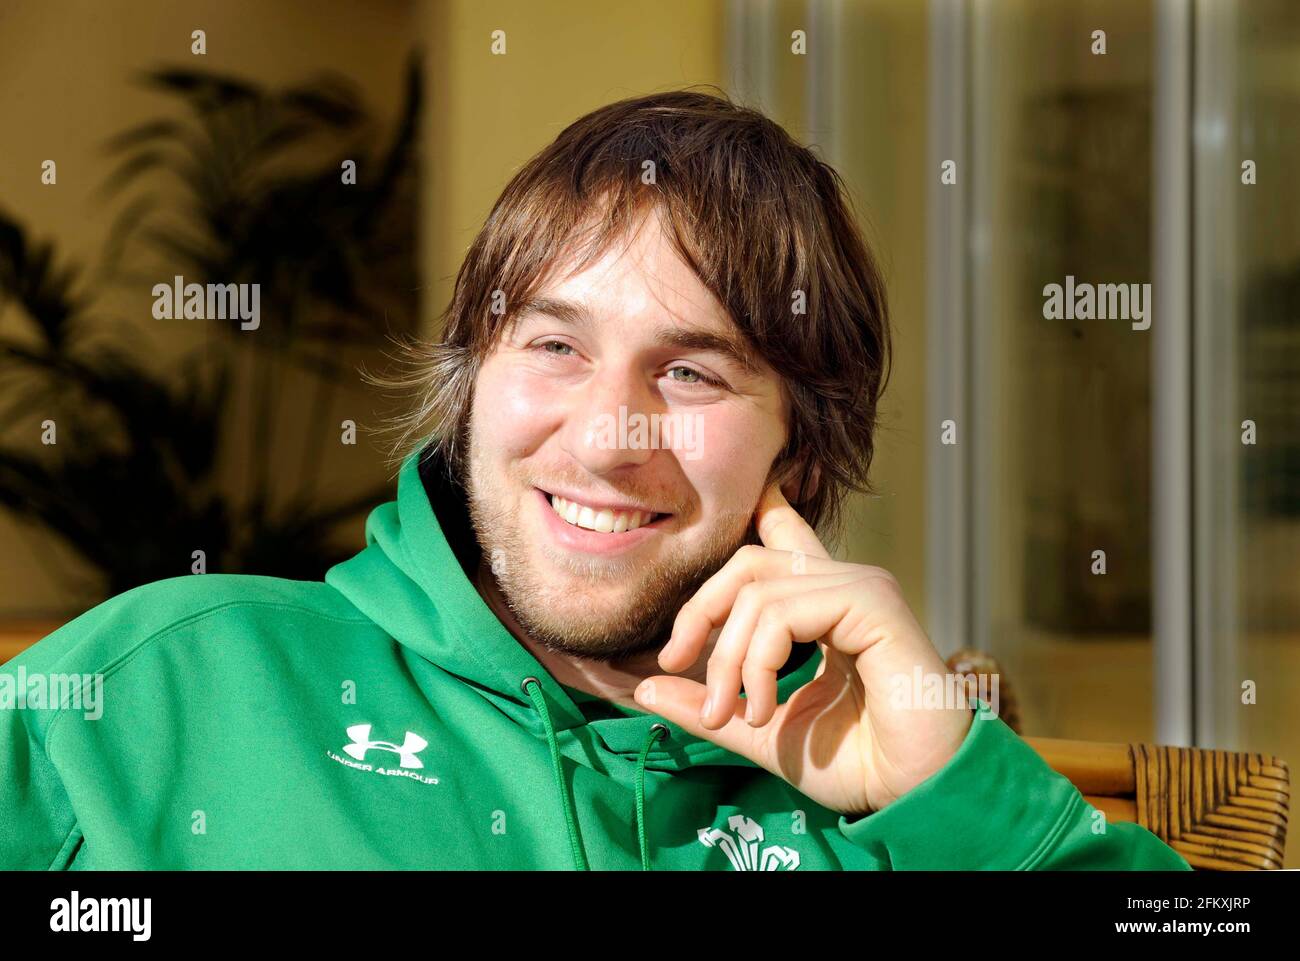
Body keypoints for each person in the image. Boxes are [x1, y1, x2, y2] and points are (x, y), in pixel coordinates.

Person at [0, 89, 1189, 870]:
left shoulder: (878, 789)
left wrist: (957, 801)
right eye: (555, 346)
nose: (607, 433)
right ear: (476, 383)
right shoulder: (157, 684)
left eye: (692, 372)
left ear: (802, 448)